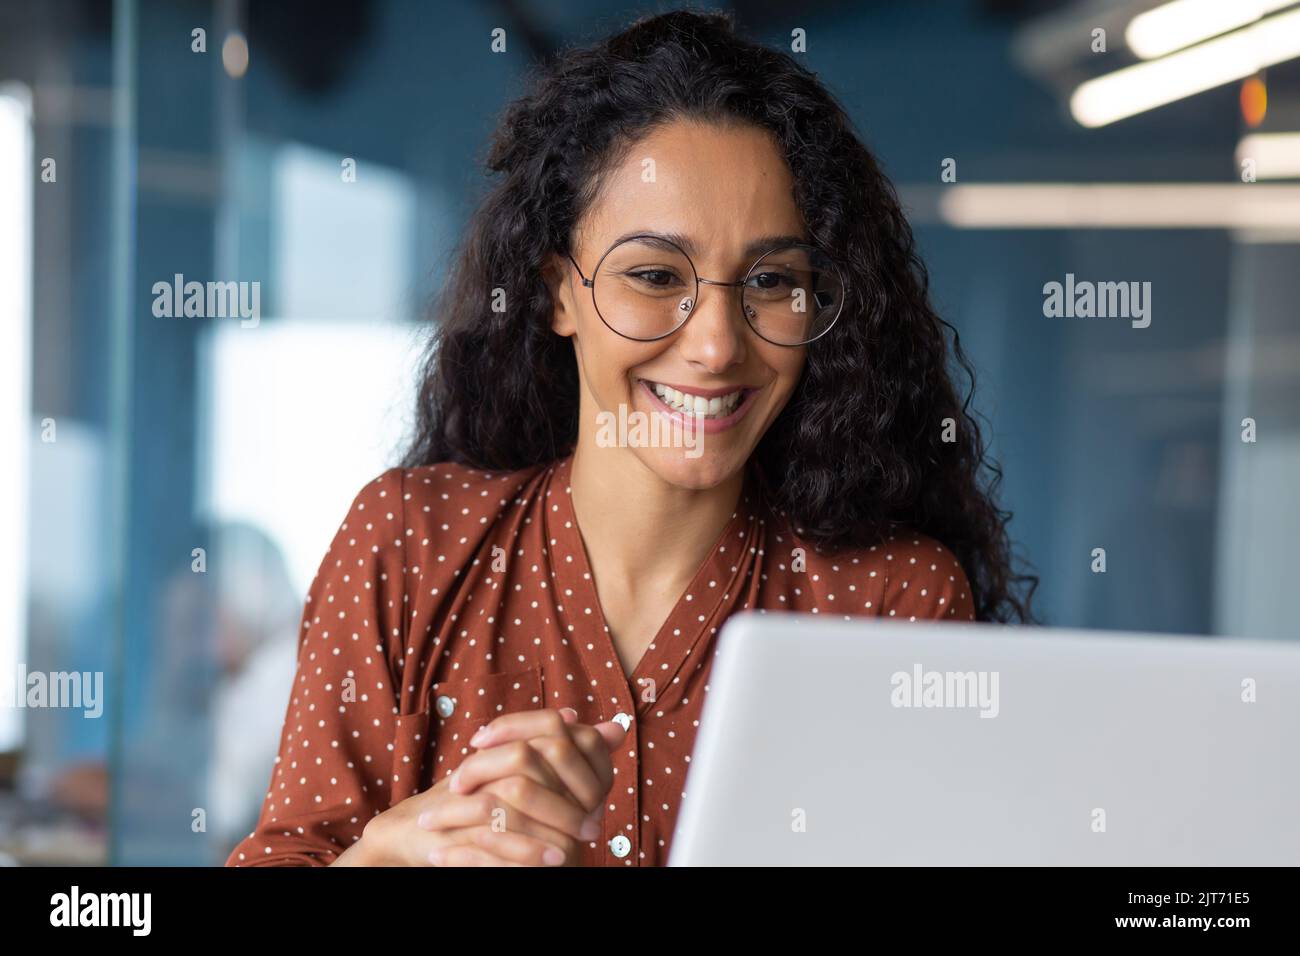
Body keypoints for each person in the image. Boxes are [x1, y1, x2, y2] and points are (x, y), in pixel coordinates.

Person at [227, 9, 1034, 869]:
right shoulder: (409, 545)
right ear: (558, 295)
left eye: (770, 280)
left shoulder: (888, 604)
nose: (717, 343)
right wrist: (389, 852)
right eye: (654, 276)